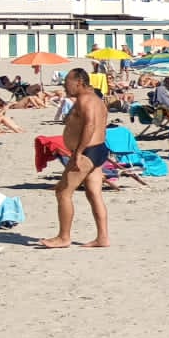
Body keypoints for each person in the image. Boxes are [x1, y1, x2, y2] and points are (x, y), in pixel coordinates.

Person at [41, 68, 110, 249]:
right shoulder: (96, 99)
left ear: (79, 82)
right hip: (98, 150)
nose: (65, 86)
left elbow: (90, 125)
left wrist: (77, 153)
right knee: (94, 194)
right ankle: (102, 238)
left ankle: (63, 237)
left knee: (63, 192)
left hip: (87, 152)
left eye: (67, 82)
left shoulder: (85, 99)